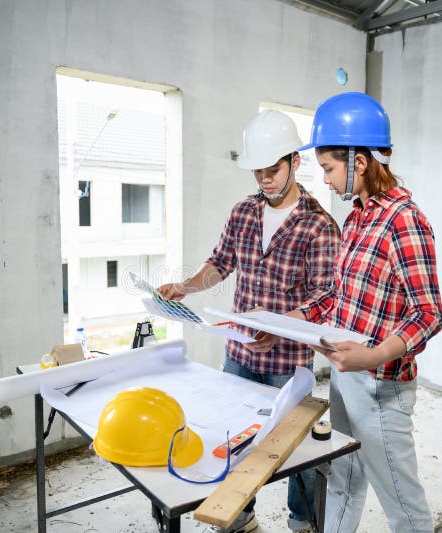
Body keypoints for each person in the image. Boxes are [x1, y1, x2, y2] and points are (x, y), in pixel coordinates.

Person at [253, 92, 442, 533]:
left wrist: (373, 356)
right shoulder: (358, 218)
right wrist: (279, 323)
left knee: (402, 502)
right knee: (342, 479)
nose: (324, 179)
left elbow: (428, 314)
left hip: (380, 386)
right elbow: (338, 298)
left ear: (359, 162)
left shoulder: (403, 220)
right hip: (346, 375)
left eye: (328, 168)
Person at [157, 109, 340, 533]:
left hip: (287, 363)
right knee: (234, 437)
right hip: (238, 352)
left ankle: (304, 521)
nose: (265, 180)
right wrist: (186, 286)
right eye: (257, 172)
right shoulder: (244, 211)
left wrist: (277, 330)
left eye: (273, 170)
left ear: (295, 162)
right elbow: (221, 263)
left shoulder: (319, 226)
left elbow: (325, 298)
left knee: (295, 450)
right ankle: (240, 516)